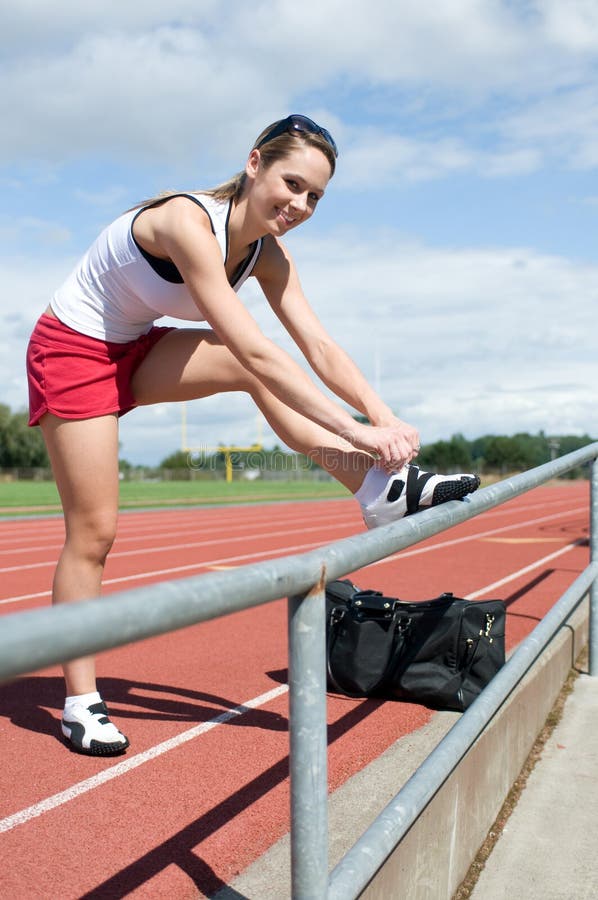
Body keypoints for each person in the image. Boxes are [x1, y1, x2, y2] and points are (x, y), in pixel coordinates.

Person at [26, 114, 479, 756]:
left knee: (252, 367)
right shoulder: (188, 223)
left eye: (315, 197)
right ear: (255, 163)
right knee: (95, 531)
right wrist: (360, 430)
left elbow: (317, 345)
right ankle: (79, 704)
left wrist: (383, 417)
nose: (298, 204)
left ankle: (380, 491)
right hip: (72, 351)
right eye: (291, 183)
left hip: (137, 344)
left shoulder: (268, 251)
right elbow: (258, 351)